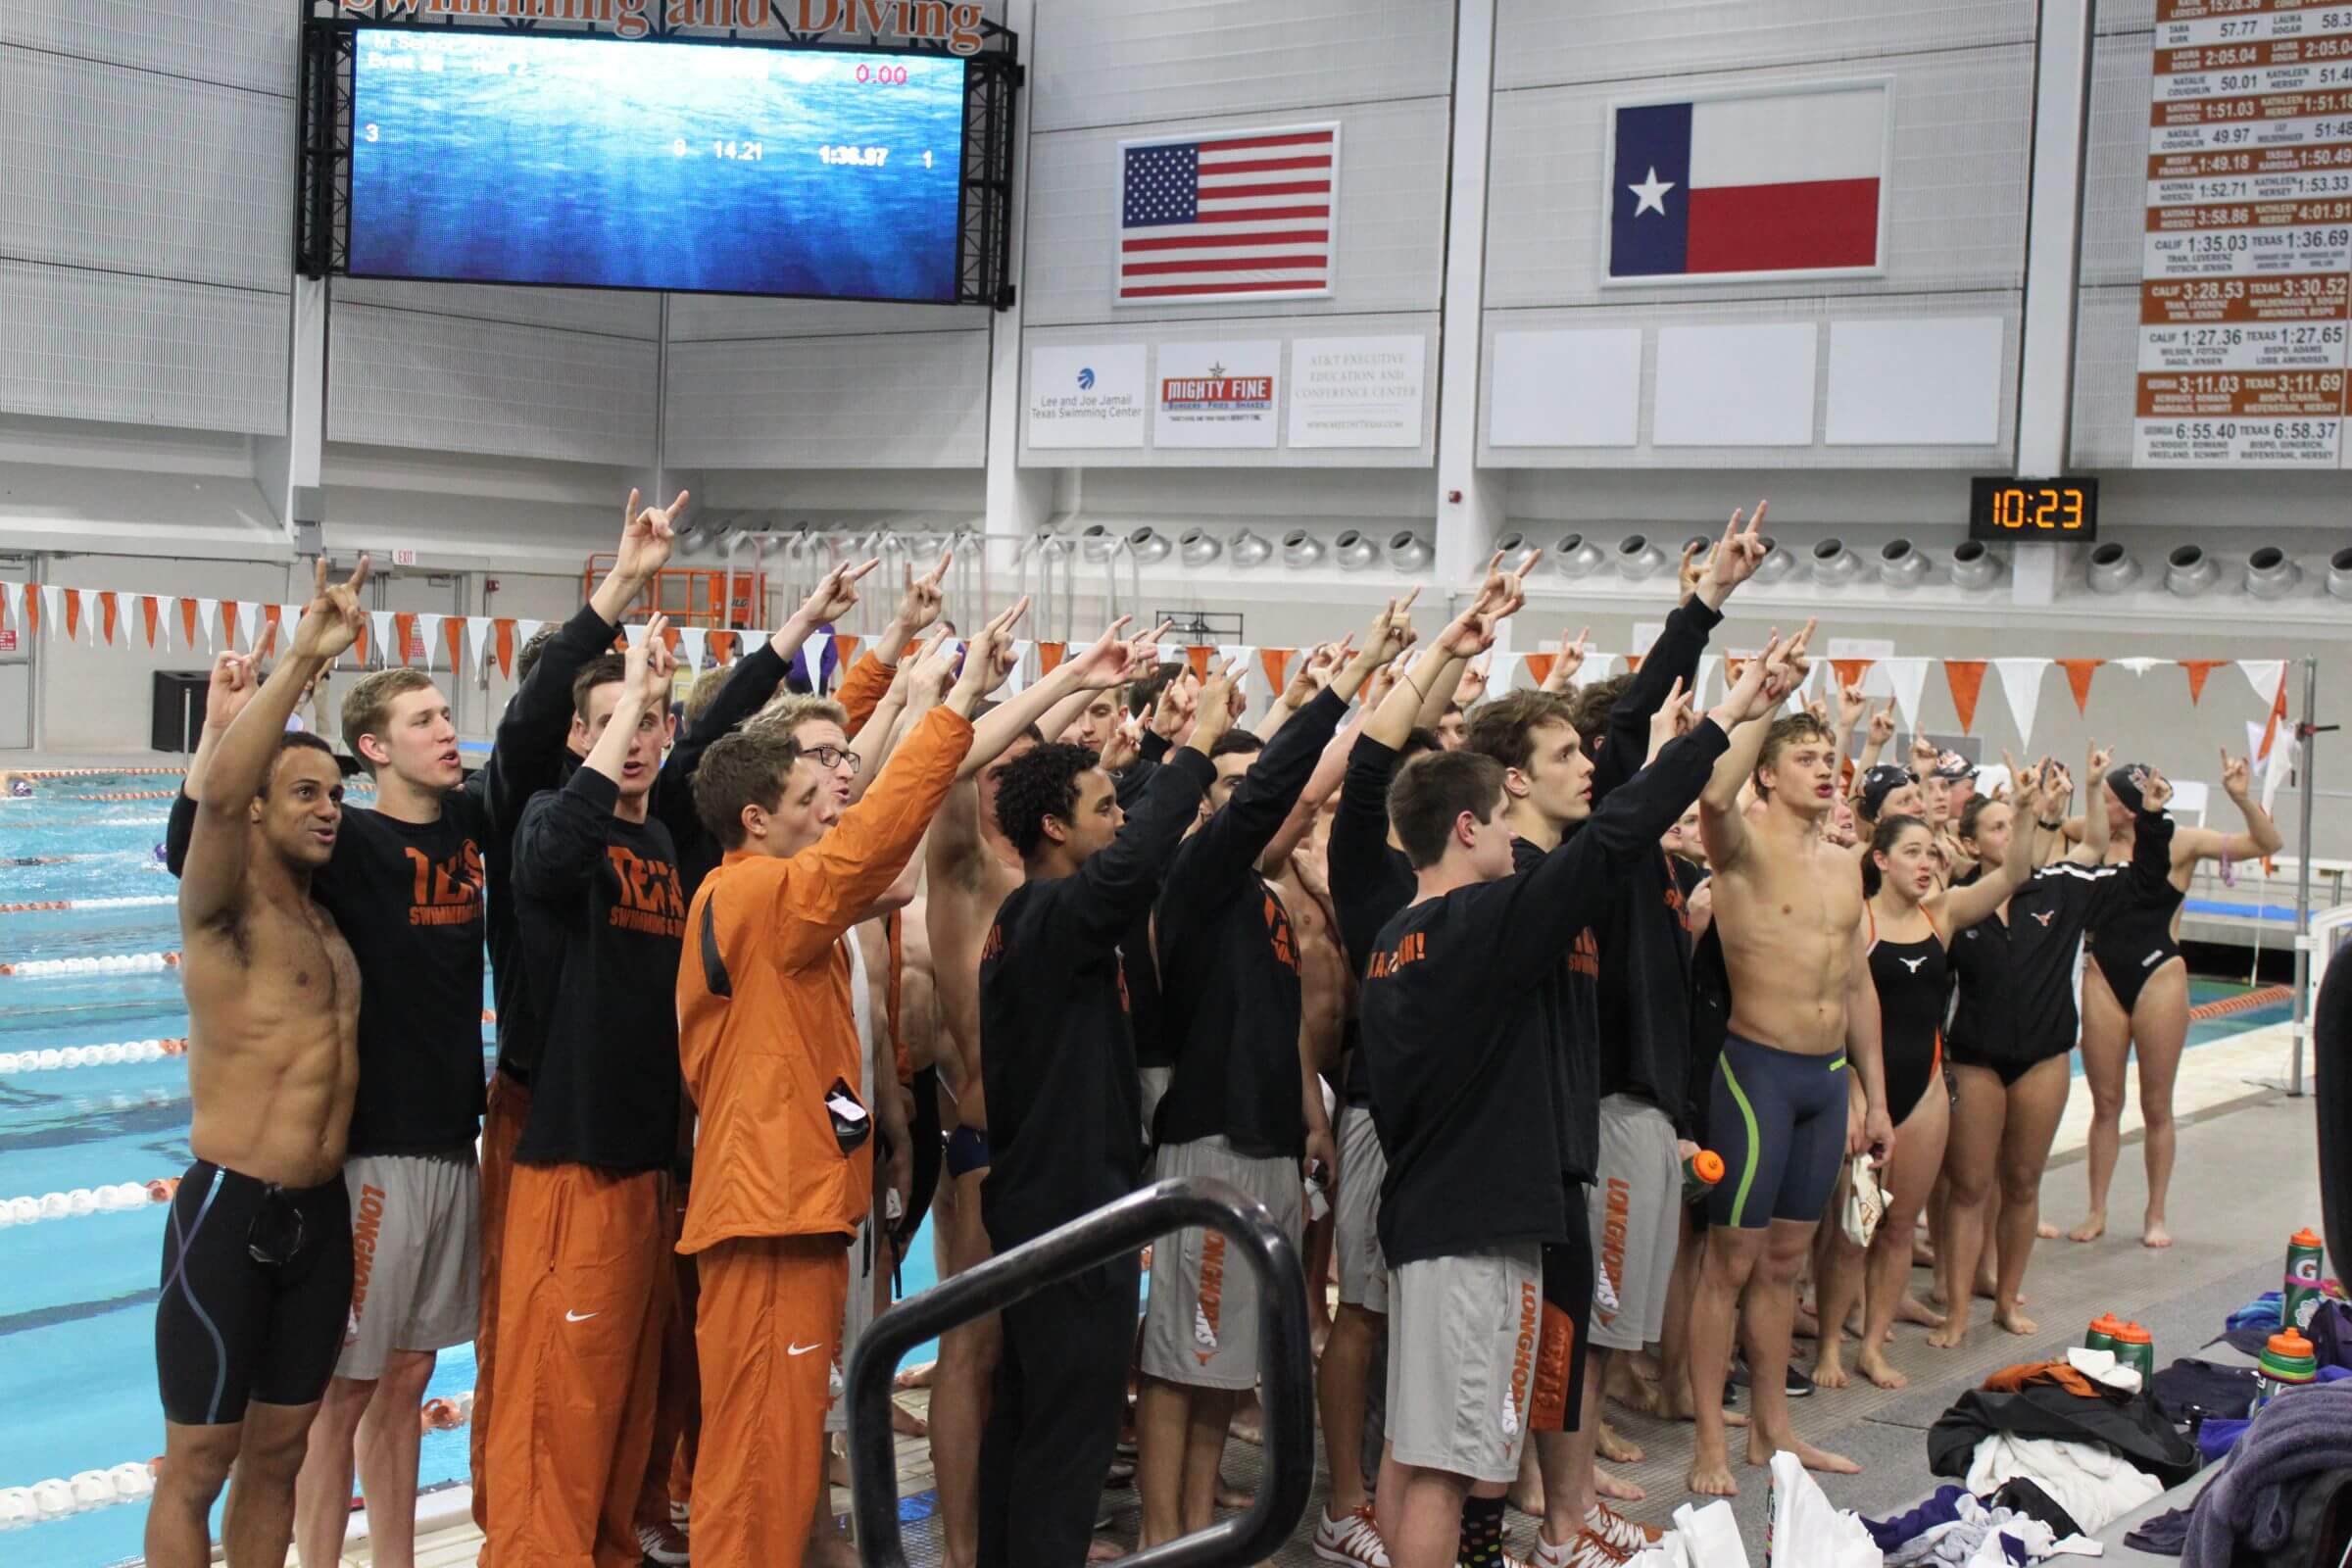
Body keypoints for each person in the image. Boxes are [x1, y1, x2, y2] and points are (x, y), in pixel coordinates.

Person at [1360, 645, 1769, 1568]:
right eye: (1507, 822)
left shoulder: (1397, 940)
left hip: (1437, 1216)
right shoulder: (1481, 926)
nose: (1519, 841)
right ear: (1466, 827)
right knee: (1443, 1468)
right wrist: (1716, 722)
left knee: (1416, 1449)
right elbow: (1618, 834)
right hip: (1474, 1230)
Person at [672, 600, 1024, 1568]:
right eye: (809, 795)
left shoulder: (786, 914)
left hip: (793, 1206)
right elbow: (876, 843)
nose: (833, 802)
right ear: (756, 819)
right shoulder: (760, 895)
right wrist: (945, 706)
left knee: (785, 1460)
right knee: (759, 1462)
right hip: (766, 1217)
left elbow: (877, 862)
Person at [1520, 504, 1764, 1564]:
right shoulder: (1577, 869)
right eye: (1573, 753)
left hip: (1628, 1108)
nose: (1596, 765)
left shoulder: (1634, 869)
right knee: (1573, 1320)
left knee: (1589, 1317)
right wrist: (1701, 608)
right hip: (1593, 1113)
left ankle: (1566, 1494)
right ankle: (1544, 1492)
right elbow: (1637, 741)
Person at [1135, 610, 1401, 1547]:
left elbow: (1281, 1026)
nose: (1274, 804)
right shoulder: (1197, 878)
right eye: (1240, 789)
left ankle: (1198, 1528)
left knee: (1226, 1361)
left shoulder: (1264, 898)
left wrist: (1308, 1121)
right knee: (1179, 1360)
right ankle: (1161, 1539)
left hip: (1269, 1142)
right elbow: (1276, 796)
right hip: (1206, 1143)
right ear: (1210, 804)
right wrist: (1348, 685)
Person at [974, 661, 1242, 1567]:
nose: (1120, 819)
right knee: (1070, 1435)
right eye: (1102, 808)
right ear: (1055, 829)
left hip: (1052, 1198)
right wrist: (1199, 745)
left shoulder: (1038, 916)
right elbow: (1136, 861)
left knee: (1031, 1416)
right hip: (1064, 1210)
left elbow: (1128, 840)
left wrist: (1160, 747)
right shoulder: (1052, 916)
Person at [918, 616, 1169, 1568]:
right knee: (978, 1353)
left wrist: (1089, 695)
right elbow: (949, 771)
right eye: (998, 751)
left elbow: (1081, 789)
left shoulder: (1047, 879)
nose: (998, 766)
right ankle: (964, 1543)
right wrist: (1014, 686)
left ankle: (1009, 1541)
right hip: (998, 1147)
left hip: (1037, 1141)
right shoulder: (968, 869)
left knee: (1022, 1373)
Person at [473, 491, 690, 1556]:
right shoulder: (543, 825)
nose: (638, 738)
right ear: (576, 730)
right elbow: (549, 821)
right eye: (612, 721)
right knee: (553, 1411)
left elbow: (729, 738)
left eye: (653, 720)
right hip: (564, 1151)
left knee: (622, 1412)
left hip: (642, 1164)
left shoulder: (658, 842)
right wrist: (618, 605)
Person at [150, 559, 368, 1568]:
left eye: (335, 792)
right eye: (305, 792)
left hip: (321, 1214)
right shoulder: (220, 913)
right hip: (229, 1210)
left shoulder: (331, 931)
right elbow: (219, 790)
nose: (328, 808)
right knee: (198, 1462)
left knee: (280, 1452)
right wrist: (300, 661)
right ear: (255, 808)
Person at [1316, 576, 1526, 1568]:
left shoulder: (1484, 892)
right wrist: (1439, 651)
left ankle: (1400, 1493)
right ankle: (1347, 1494)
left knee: (1427, 1363)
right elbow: (1367, 771)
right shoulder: (1377, 879)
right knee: (1364, 1307)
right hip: (1382, 1122)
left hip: (1461, 1141)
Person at [1685, 622, 1898, 1497]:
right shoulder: (1738, 842)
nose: (1825, 767)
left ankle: (1774, 1430)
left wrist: (1873, 1097)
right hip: (1754, 1075)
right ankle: (1708, 1436)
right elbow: (1708, 796)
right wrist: (1760, 706)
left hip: (1823, 1083)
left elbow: (1856, 987)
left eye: (1828, 757)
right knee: (1728, 1262)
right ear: (1769, 772)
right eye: (1805, 757)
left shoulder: (1849, 864)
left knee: (1785, 1264)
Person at [1807, 760, 2053, 1394]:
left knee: (1897, 1227)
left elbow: (2016, 873)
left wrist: (2024, 811)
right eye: (1911, 852)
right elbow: (1836, 1017)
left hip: (1925, 1093)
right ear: (1880, 859)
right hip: (1865, 1089)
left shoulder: (1939, 915)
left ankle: (1872, 1347)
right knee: (1854, 1230)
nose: (1925, 863)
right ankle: (1831, 1343)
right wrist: (1859, 1094)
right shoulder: (1854, 920)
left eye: (1930, 853)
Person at [1928, 747, 2172, 1348]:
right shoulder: (1955, 899)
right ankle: (1958, 1310)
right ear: (1972, 842)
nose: (2012, 833)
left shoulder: (2064, 886)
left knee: (2024, 1182)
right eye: (1998, 825)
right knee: (1968, 1187)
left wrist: (2151, 820)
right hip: (1976, 1057)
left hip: (2043, 1056)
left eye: (2017, 823)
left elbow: (2143, 883)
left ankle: (2006, 1301)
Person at [2070, 751, 2282, 1249]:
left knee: (2156, 1105)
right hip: (2101, 975)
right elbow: (2042, 824)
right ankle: (2096, 1209)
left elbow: (2267, 843)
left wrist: (2241, 798)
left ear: (2128, 806)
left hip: (2159, 975)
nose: (2099, 805)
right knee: (2104, 1102)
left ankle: (2155, 1214)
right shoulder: (2093, 836)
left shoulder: (2180, 841)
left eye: (2106, 799)